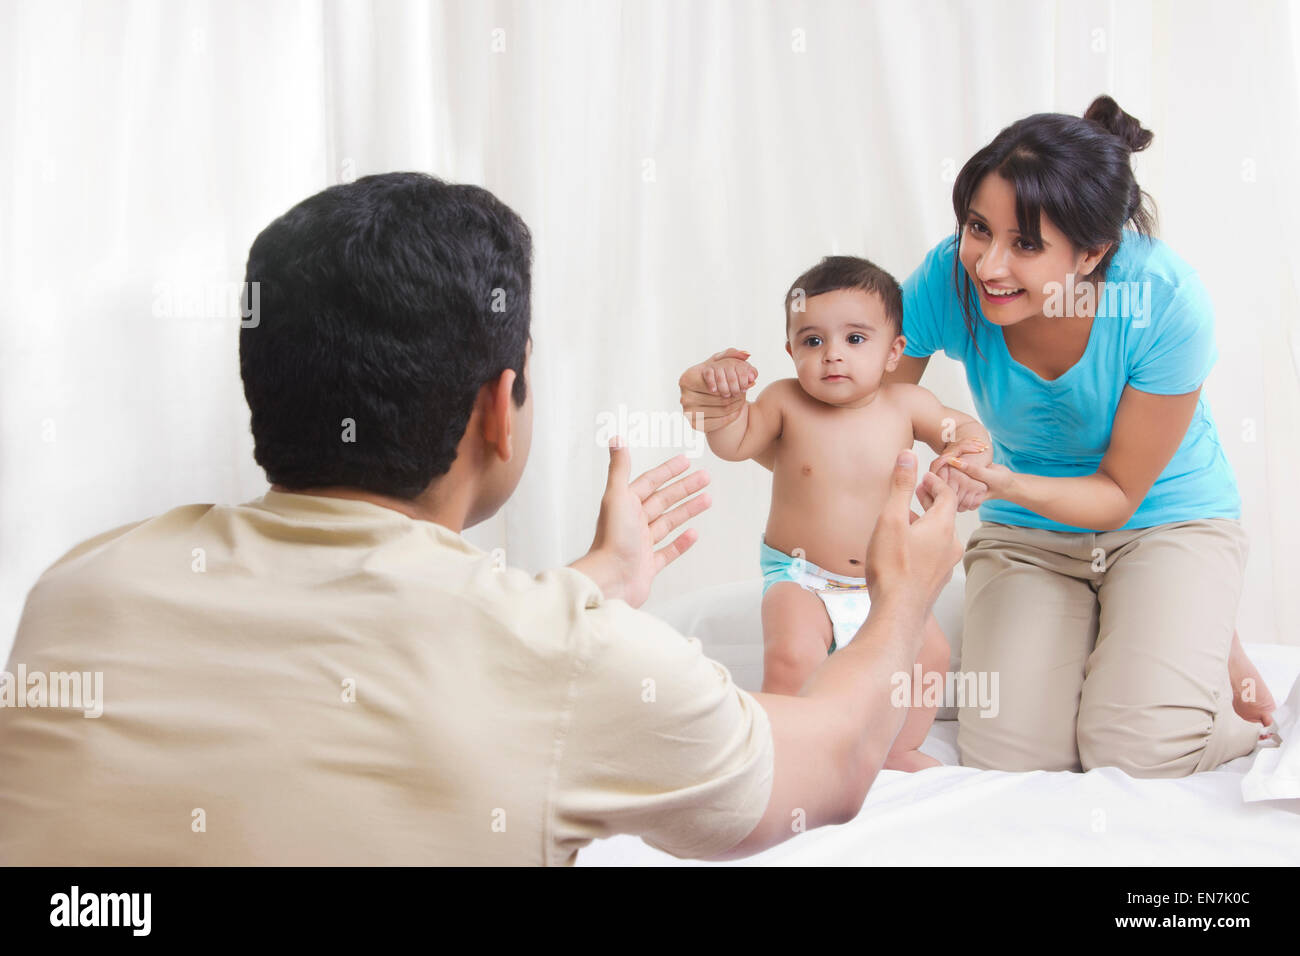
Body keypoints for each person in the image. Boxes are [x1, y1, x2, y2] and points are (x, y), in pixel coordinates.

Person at [0, 172, 963, 865]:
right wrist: (903, 598)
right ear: (499, 409)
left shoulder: (79, 588)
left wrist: (603, 580)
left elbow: (380, 630)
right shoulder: (573, 660)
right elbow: (830, 768)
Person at [884, 95, 1275, 776]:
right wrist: (744, 417)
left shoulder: (1164, 300)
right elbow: (875, 394)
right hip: (1033, 532)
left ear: (1093, 253)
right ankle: (1148, 630)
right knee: (1012, 756)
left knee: (1137, 752)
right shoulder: (951, 274)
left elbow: (1120, 492)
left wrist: (998, 478)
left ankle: (1208, 666)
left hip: (1163, 519)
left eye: (1026, 244)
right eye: (979, 227)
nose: (988, 265)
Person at [678, 255, 991, 772]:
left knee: (929, 658)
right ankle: (786, 753)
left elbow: (959, 428)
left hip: (886, 582)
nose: (832, 356)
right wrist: (724, 398)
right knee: (792, 655)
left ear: (895, 352)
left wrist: (969, 455)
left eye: (855, 339)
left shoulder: (908, 404)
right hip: (800, 575)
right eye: (813, 341)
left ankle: (896, 748)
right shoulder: (783, 401)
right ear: (790, 350)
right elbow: (734, 444)